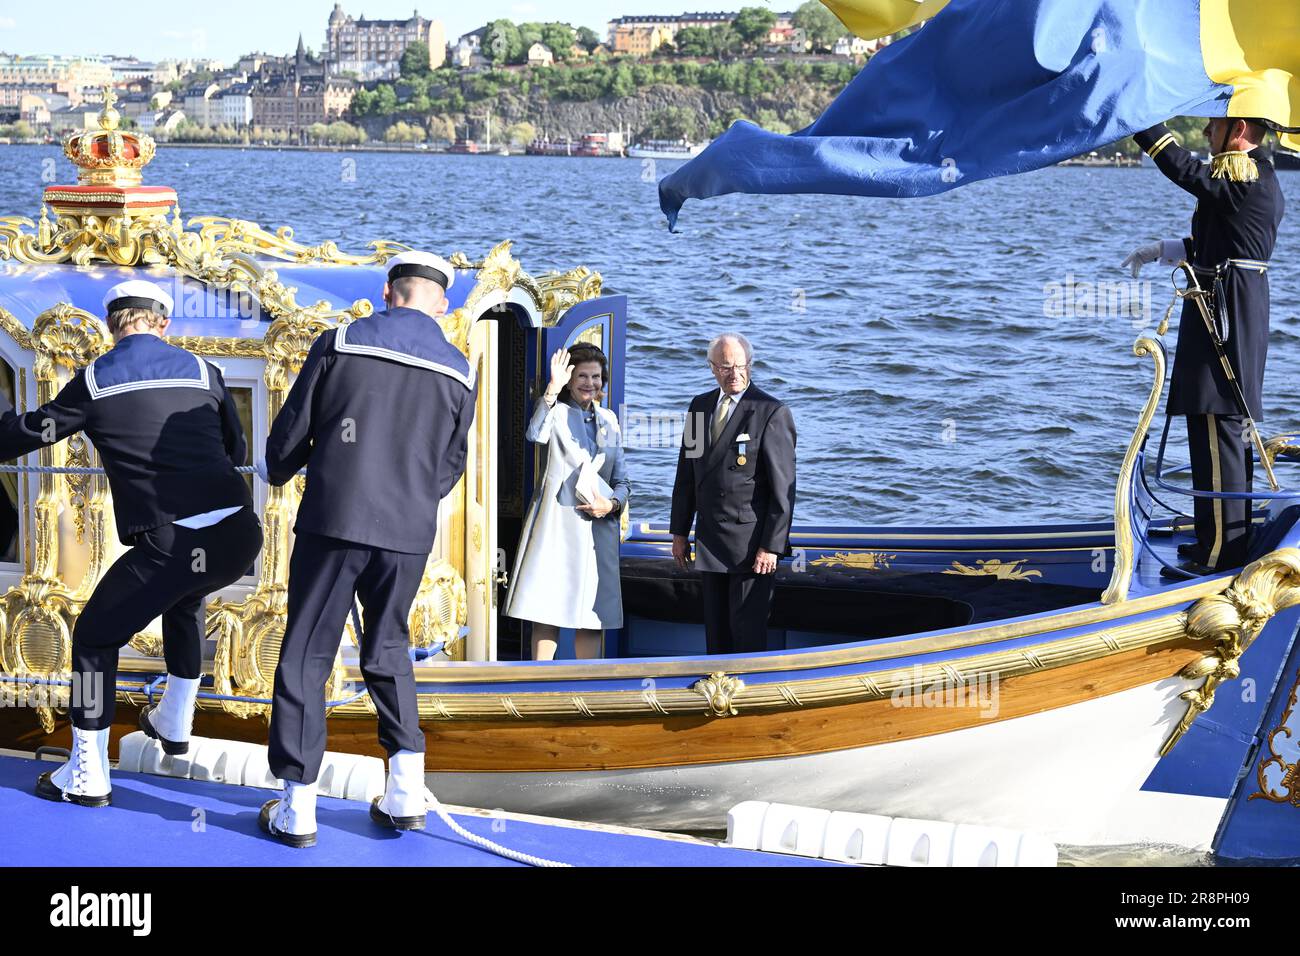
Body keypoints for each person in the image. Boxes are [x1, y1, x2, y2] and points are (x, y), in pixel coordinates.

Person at [0, 279, 262, 805]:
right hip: (238, 533)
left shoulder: (94, 380)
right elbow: (235, 446)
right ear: (161, 323)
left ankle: (88, 774)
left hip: (171, 540)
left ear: (112, 326)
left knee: (95, 640)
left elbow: (34, 431)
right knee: (185, 596)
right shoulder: (205, 371)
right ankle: (175, 720)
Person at [256, 251, 477, 847]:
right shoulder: (459, 368)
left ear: (388, 290)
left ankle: (298, 805)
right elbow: (449, 465)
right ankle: (405, 789)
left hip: (335, 520)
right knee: (389, 648)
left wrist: (280, 469)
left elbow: (292, 433)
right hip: (406, 532)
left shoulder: (342, 340)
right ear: (443, 305)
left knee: (306, 653)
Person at [1124, 117, 1285, 572]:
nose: (1206, 135)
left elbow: (1187, 172)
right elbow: (1222, 237)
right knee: (1211, 424)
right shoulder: (1250, 178)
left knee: (1219, 424)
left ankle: (1221, 552)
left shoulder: (1248, 174)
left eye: (1213, 127)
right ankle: (1216, 537)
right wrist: (1164, 249)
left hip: (1227, 309)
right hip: (1226, 302)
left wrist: (1143, 124)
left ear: (1237, 130)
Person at [670, 333, 796, 655]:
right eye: (726, 367)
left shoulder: (770, 411)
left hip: (751, 548)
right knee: (717, 635)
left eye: (741, 366)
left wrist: (771, 546)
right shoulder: (700, 408)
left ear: (750, 365)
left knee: (747, 636)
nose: (735, 374)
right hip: (710, 540)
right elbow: (688, 474)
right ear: (712, 367)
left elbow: (784, 490)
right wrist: (680, 532)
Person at [505, 343, 630, 660]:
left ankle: (588, 689)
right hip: (557, 526)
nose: (590, 383)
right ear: (569, 379)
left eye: (596, 377)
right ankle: (538, 686)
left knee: (590, 617)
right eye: (582, 376)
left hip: (595, 530)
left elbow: (623, 481)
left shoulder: (610, 420)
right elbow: (535, 434)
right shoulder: (556, 413)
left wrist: (612, 504)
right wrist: (551, 389)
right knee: (549, 611)